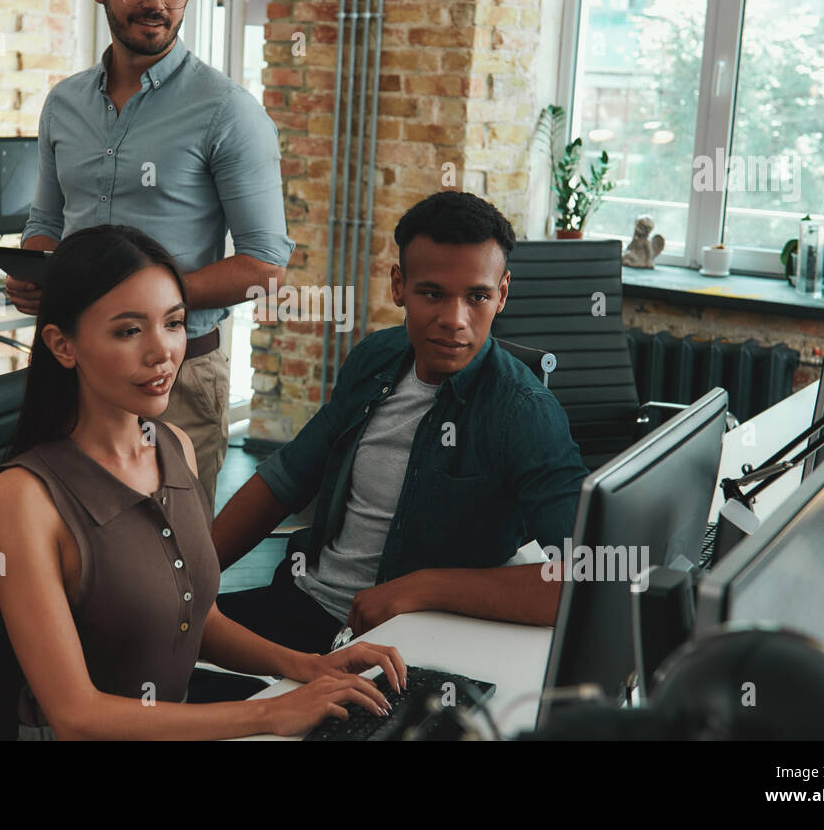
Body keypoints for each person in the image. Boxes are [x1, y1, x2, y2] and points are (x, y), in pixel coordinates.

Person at [0, 225, 404, 740]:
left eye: (174, 323)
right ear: (62, 345)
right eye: (128, 330)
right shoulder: (23, 497)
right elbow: (77, 715)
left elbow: (191, 616)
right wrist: (272, 712)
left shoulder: (175, 445)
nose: (162, 352)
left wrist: (309, 666)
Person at [6, 0, 294, 510]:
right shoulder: (63, 104)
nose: (156, 3)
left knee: (170, 572)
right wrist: (38, 270)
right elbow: (46, 223)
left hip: (177, 372)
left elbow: (266, 265)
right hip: (71, 368)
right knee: (69, 543)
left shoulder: (227, 111)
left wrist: (140, 310)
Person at [212, 192, 589, 655]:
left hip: (405, 647)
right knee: (145, 652)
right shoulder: (376, 357)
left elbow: (583, 576)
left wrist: (426, 587)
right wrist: (184, 583)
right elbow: (285, 480)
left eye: (478, 297)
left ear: (502, 294)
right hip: (303, 610)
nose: (455, 320)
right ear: (398, 286)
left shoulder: (523, 412)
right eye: (432, 293)